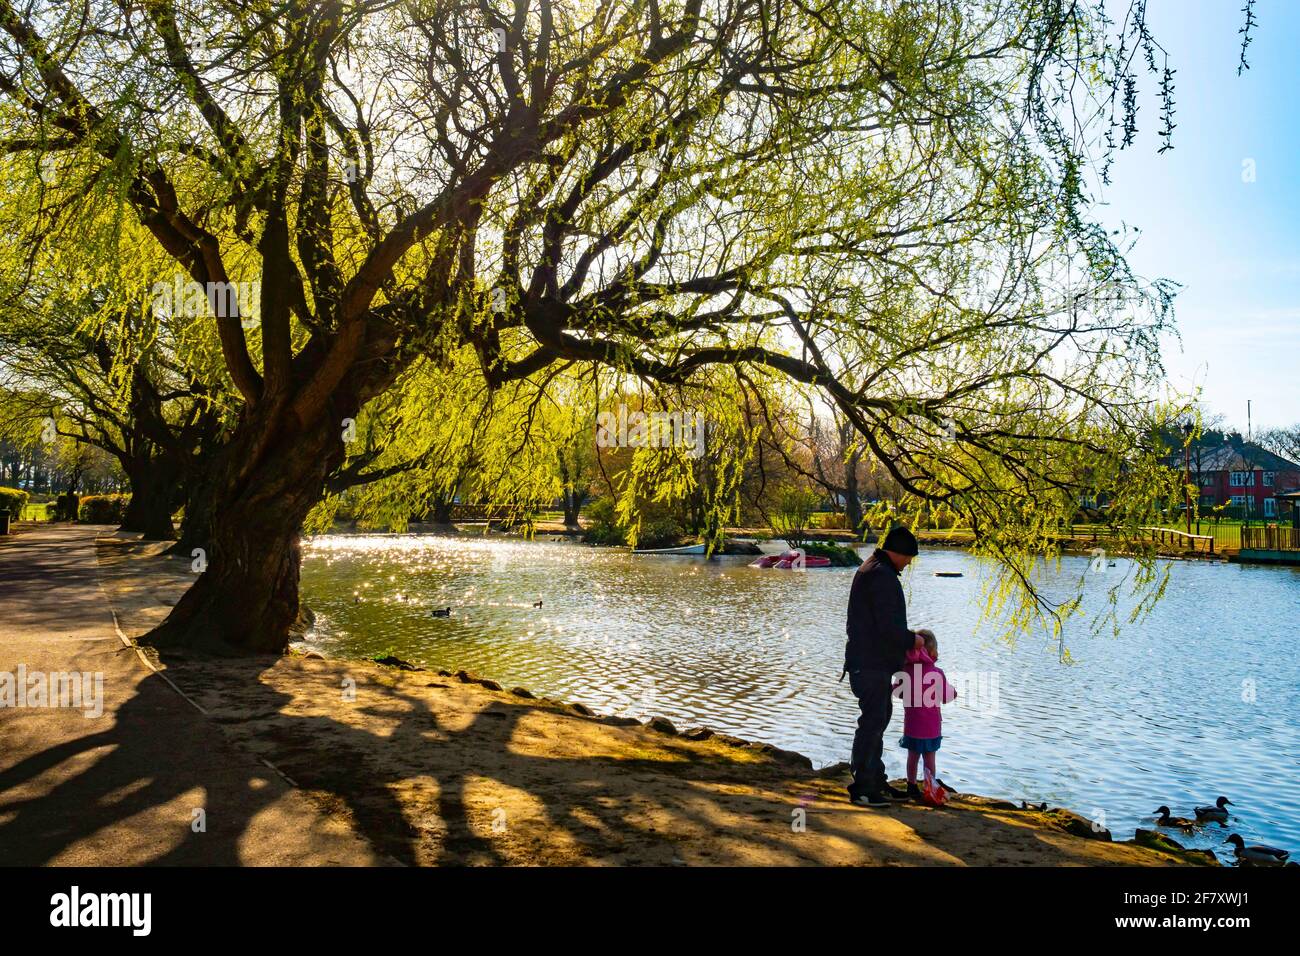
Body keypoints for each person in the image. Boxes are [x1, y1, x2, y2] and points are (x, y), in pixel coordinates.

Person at [842, 525, 922, 807]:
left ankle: (875, 779)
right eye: (909, 557)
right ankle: (863, 788)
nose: (909, 562)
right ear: (897, 552)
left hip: (868, 662)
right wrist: (912, 639)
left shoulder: (874, 569)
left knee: (878, 719)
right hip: (870, 662)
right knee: (872, 722)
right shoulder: (881, 576)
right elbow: (888, 627)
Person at [896, 628, 957, 799]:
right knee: (929, 759)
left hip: (912, 724)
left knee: (912, 756)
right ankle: (929, 787)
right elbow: (946, 696)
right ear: (932, 651)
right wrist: (954, 692)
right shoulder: (937, 673)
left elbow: (897, 692)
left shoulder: (906, 670)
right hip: (931, 726)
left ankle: (911, 785)